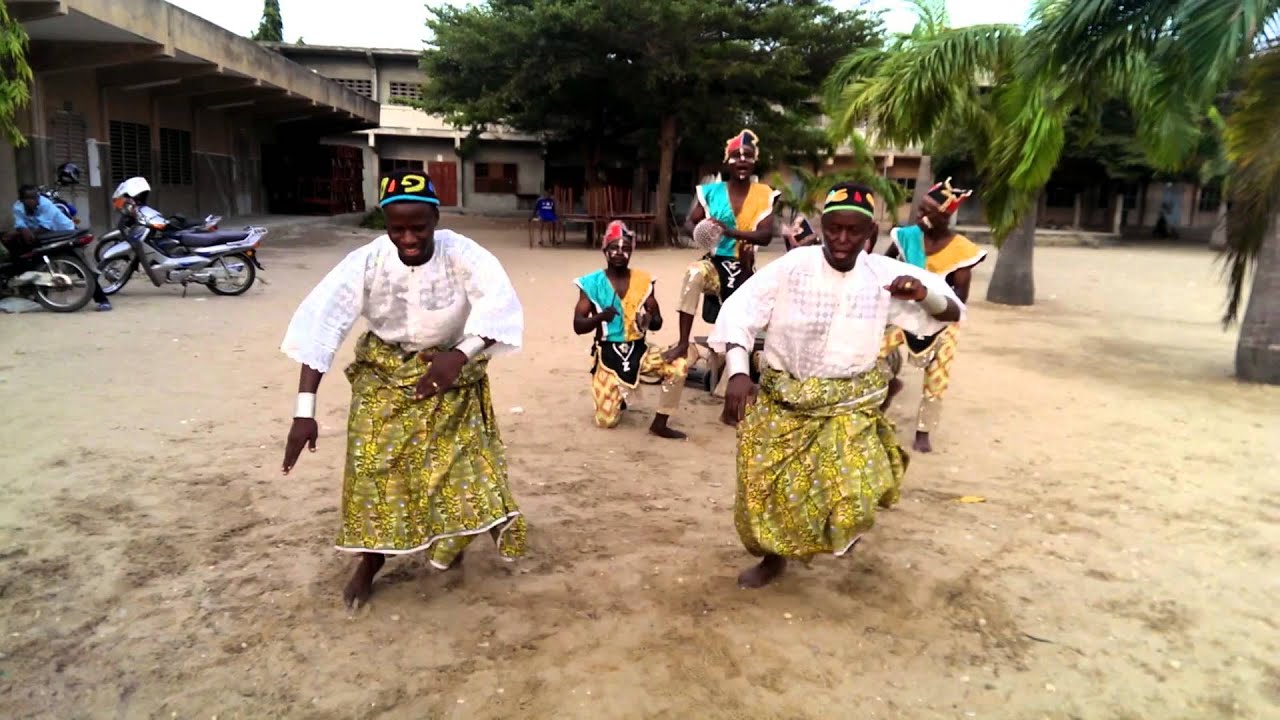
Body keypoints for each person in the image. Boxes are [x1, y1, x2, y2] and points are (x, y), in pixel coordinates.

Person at [280, 169, 527, 609]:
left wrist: (461, 354)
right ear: (386, 225)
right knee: (375, 473)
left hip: (452, 372)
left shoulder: (463, 253)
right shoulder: (367, 262)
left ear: (435, 219)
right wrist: (304, 412)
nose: (409, 238)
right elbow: (321, 326)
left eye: (419, 227)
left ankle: (451, 538)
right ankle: (369, 563)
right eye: (398, 228)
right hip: (385, 374)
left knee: (464, 469)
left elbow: (500, 305)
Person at [709, 182, 964, 589]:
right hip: (782, 398)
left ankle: (837, 527)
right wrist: (739, 371)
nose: (842, 240)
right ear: (823, 226)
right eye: (834, 229)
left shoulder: (884, 275)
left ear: (870, 235)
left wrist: (922, 296)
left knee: (854, 493)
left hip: (847, 401)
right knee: (764, 492)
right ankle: (774, 559)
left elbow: (951, 308)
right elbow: (739, 312)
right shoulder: (793, 267)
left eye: (854, 231)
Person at [880, 178, 986, 453]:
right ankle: (889, 387)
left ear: (945, 216)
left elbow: (960, 298)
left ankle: (923, 431)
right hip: (905, 314)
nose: (920, 215)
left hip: (942, 318)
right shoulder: (906, 236)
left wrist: (930, 297)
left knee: (938, 375)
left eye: (928, 211)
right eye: (920, 208)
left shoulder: (961, 249)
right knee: (873, 352)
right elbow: (883, 266)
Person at [665, 129, 780, 365]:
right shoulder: (711, 192)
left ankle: (756, 356)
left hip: (746, 266)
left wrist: (729, 232)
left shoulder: (764, 194)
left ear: (754, 161)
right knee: (694, 273)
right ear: (727, 161)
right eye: (736, 156)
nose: (742, 160)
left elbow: (766, 235)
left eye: (747, 155)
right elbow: (689, 223)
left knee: (767, 306)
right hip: (715, 265)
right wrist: (703, 233)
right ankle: (683, 343)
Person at [573, 220, 691, 439]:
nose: (619, 253)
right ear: (605, 250)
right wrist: (600, 317)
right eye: (614, 248)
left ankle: (660, 423)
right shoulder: (591, 283)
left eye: (625, 248)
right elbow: (578, 326)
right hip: (607, 352)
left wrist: (652, 316)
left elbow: (657, 324)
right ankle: (617, 393)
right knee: (606, 422)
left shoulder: (644, 281)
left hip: (639, 350)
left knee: (678, 366)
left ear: (631, 252)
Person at [5, 184, 112, 311]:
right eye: (29, 198)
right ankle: (32, 291)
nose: (33, 201)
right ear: (22, 200)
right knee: (24, 257)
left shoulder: (45, 205)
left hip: (63, 234)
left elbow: (44, 227)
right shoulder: (18, 207)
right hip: (41, 236)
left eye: (35, 198)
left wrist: (27, 233)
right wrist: (22, 231)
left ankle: (102, 300)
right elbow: (20, 225)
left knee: (81, 267)